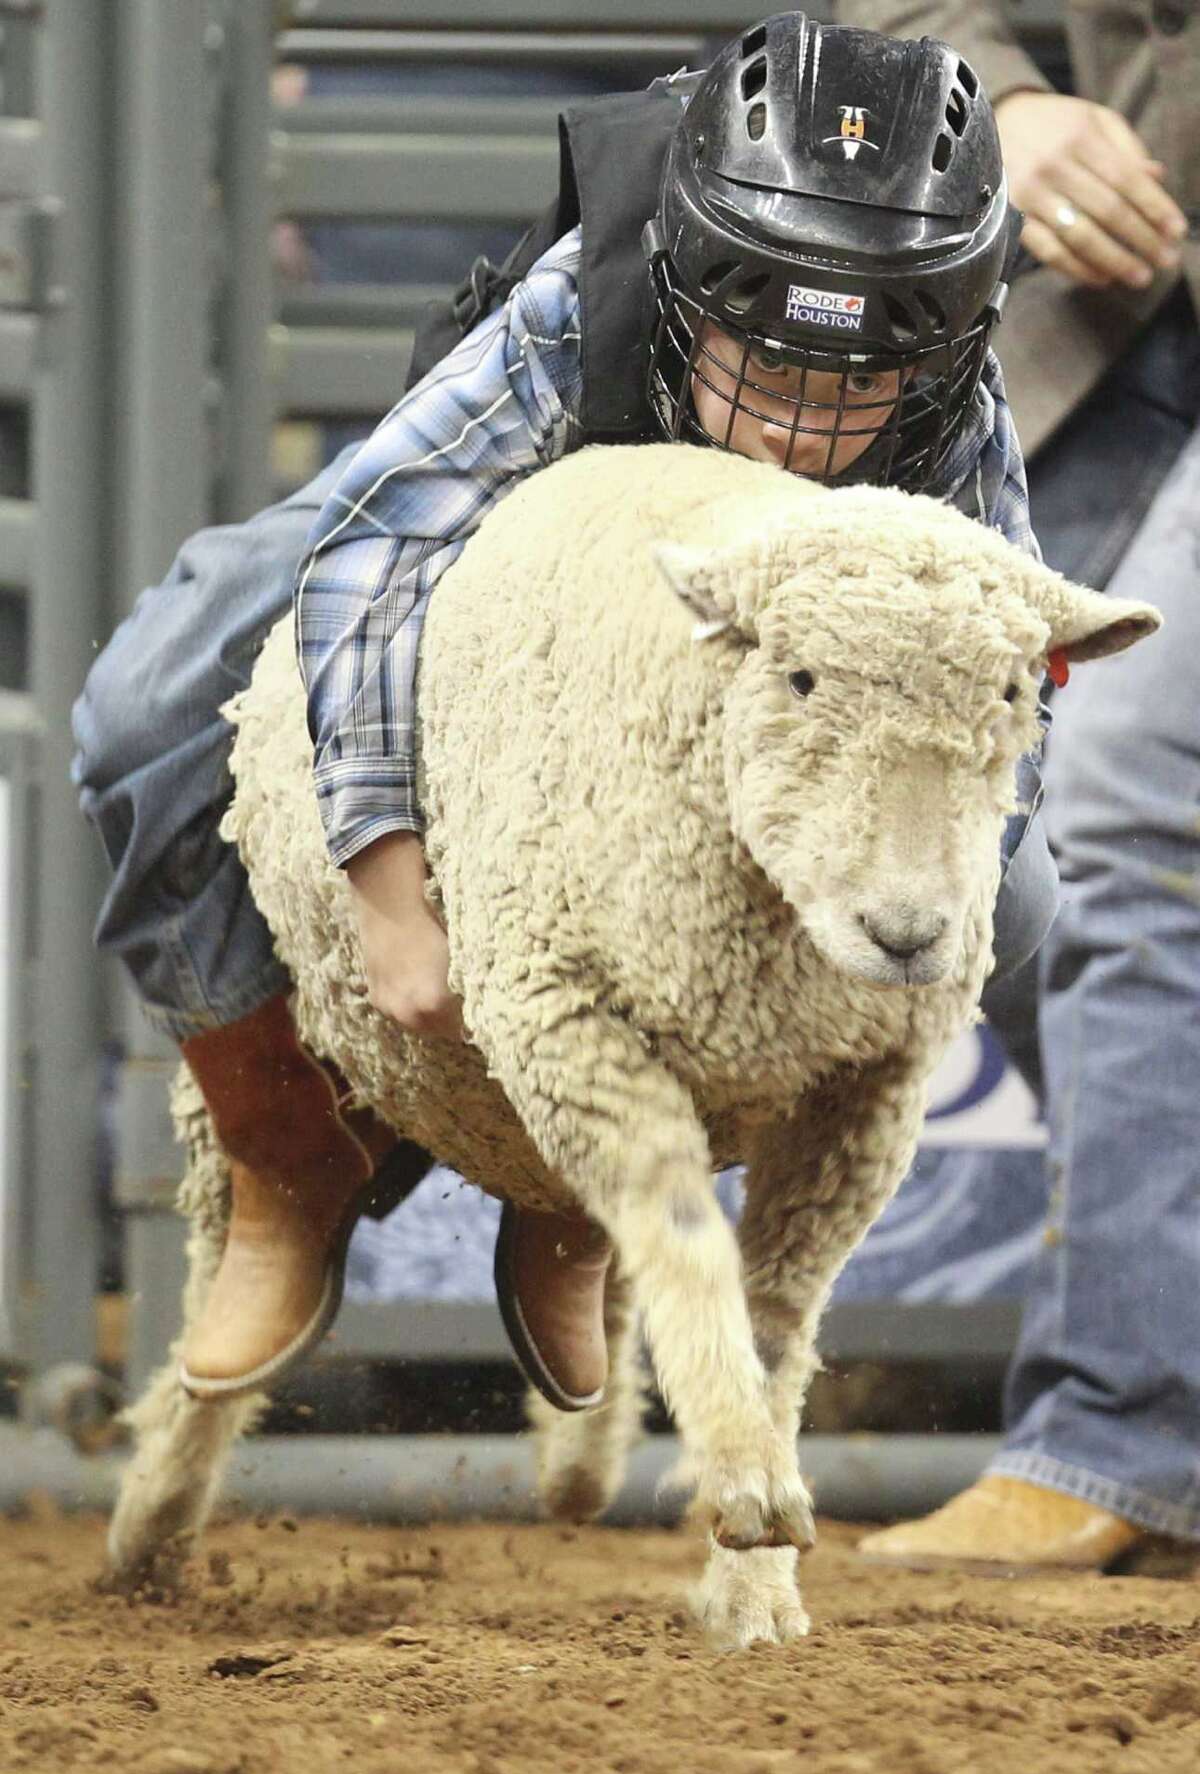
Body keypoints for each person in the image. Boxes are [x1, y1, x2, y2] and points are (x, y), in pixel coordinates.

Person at [72, 14, 1056, 1419]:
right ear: (688, 287)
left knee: (1012, 903)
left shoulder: (953, 408)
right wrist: (383, 874)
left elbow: (1014, 665)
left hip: (750, 695)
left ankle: (580, 1198)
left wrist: (937, 853)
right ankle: (282, 1144)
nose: (792, 433)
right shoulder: (585, 302)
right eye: (762, 368)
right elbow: (374, 546)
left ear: (937, 356)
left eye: (854, 391)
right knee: (142, 701)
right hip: (508, 539)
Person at [848, 0, 1200, 1572]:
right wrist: (1001, 96)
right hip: (1109, 313)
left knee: (1130, 793)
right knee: (971, 830)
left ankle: (1122, 1436)